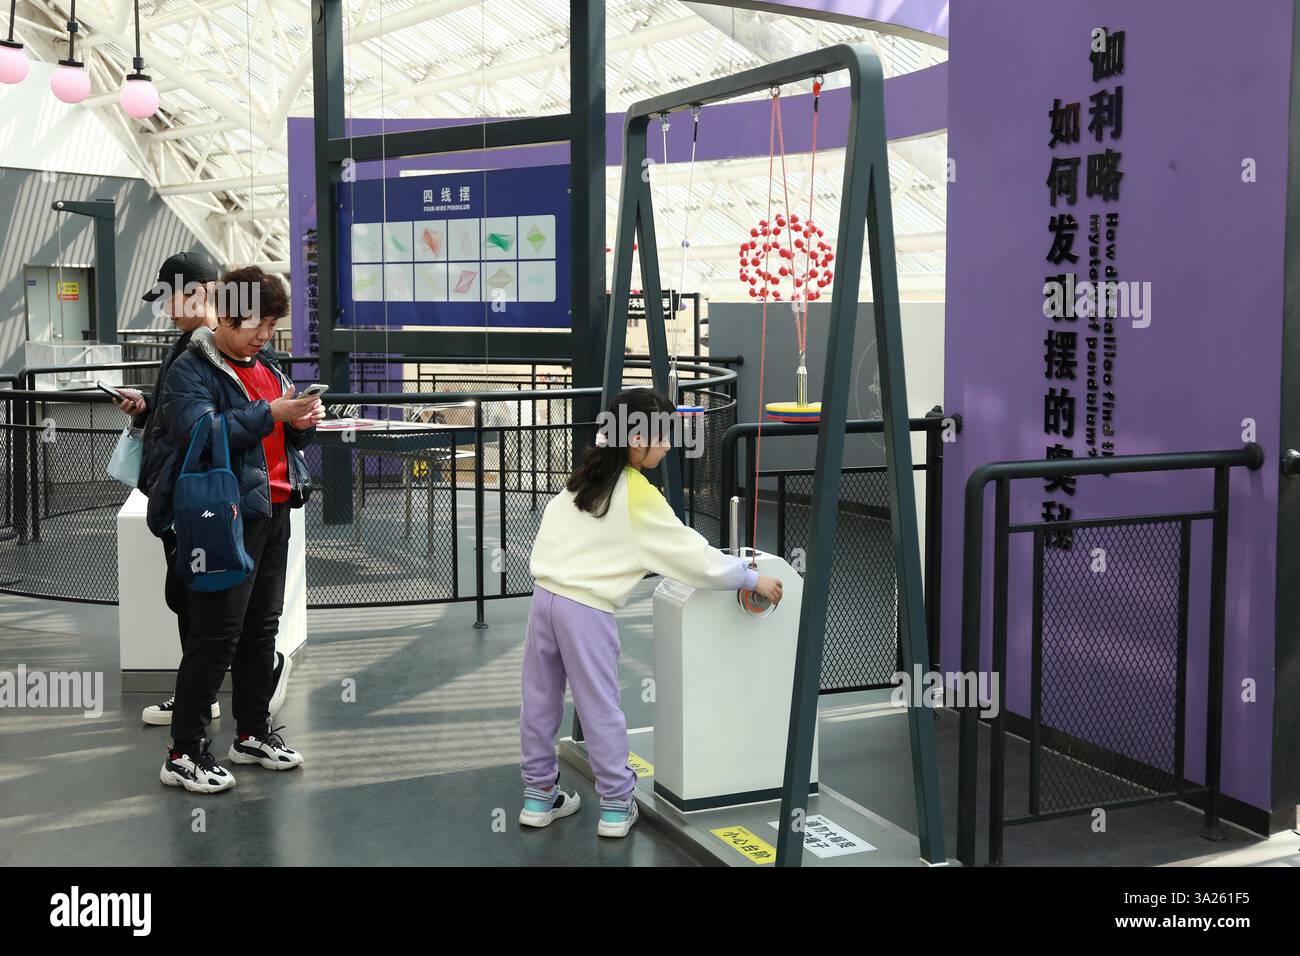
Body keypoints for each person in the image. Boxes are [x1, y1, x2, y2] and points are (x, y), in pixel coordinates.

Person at [520, 388, 784, 837]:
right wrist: (749, 575)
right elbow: (693, 557)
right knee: (600, 707)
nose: (668, 445)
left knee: (540, 702)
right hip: (586, 611)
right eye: (663, 436)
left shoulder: (582, 480)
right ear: (636, 440)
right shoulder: (638, 494)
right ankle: (616, 806)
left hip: (543, 600)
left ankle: (537, 796)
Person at [147, 266, 324, 794]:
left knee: (260, 630)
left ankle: (251, 732)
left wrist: (298, 422)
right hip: (222, 520)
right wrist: (270, 413)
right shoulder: (191, 368)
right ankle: (184, 752)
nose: (265, 334)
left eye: (271, 323)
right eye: (256, 323)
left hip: (272, 513)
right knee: (215, 635)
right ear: (225, 316)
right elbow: (201, 432)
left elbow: (276, 439)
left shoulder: (267, 366)